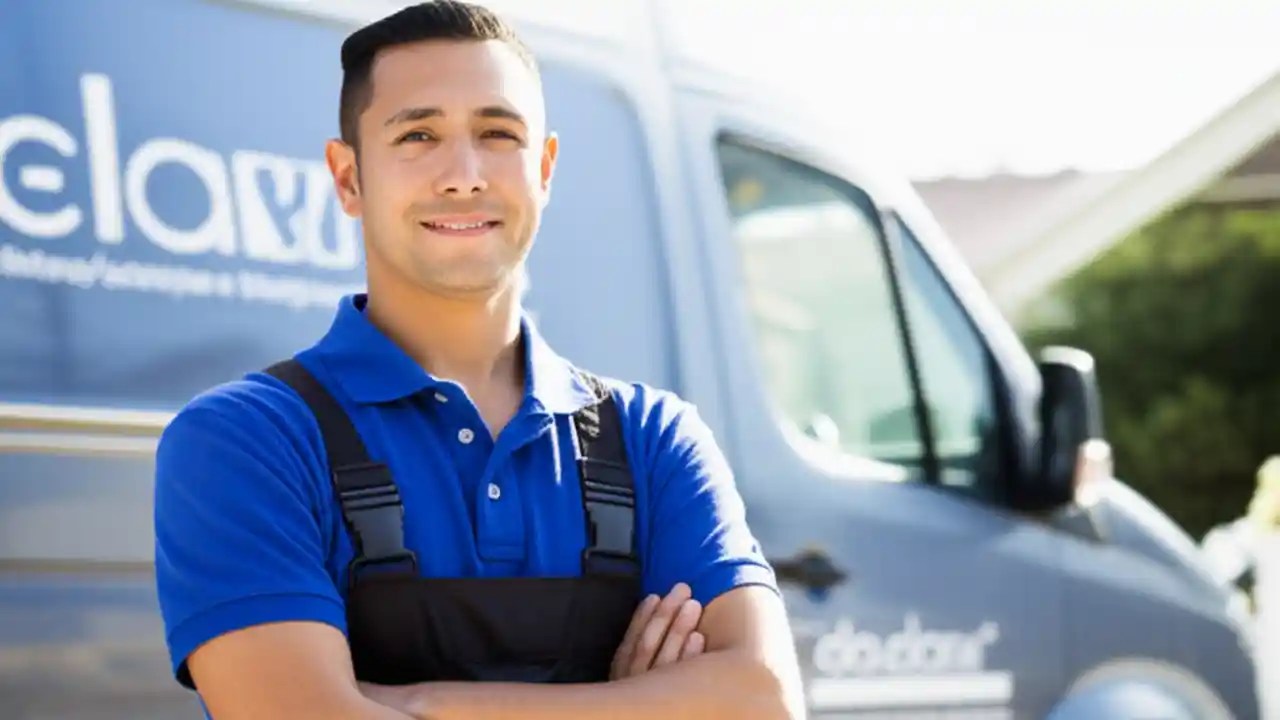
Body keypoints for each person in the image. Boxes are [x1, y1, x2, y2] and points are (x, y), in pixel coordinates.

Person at [152, 2, 805, 718]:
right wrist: (629, 704)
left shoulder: (655, 440)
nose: (463, 174)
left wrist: (421, 704)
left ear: (545, 168)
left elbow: (763, 700)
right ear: (348, 178)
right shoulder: (247, 440)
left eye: (497, 134)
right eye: (418, 135)